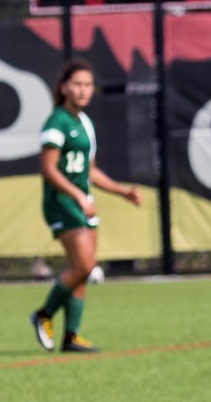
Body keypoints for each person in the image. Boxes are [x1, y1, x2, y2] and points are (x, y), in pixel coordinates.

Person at [29, 59, 143, 353]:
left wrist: (122, 192)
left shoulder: (85, 124)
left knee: (79, 269)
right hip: (62, 203)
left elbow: (89, 170)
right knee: (85, 265)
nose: (83, 90)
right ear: (64, 87)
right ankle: (43, 314)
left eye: (88, 85)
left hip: (83, 202)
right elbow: (49, 170)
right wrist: (78, 196)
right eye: (77, 84)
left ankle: (71, 336)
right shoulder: (57, 122)